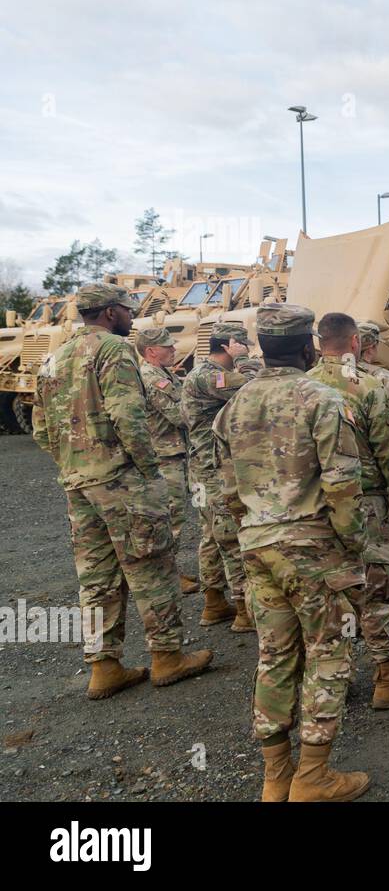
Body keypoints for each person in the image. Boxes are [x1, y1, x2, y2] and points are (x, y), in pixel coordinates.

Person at [213, 304, 371, 802]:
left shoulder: (233, 406)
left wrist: (254, 530)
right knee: (328, 653)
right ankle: (314, 776)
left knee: (274, 656)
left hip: (258, 546)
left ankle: (275, 776)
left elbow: (227, 489)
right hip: (314, 549)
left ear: (263, 347)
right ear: (308, 347)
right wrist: (354, 546)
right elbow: (343, 485)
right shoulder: (322, 400)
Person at [32, 283, 213, 700]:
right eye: (127, 310)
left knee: (96, 577)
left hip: (78, 484)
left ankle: (104, 666)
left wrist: (72, 462)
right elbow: (128, 415)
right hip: (122, 480)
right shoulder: (113, 350)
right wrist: (147, 469)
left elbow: (42, 428)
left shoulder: (53, 358)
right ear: (111, 313)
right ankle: (166, 657)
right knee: (152, 566)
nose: (132, 317)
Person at [307, 312, 389, 709]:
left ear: (319, 342)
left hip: (318, 506)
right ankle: (388, 679)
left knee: (329, 592)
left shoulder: (302, 386)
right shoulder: (372, 385)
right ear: (356, 342)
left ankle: (332, 684)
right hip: (368, 503)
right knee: (378, 588)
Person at [181, 321, 259, 631]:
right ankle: (243, 610)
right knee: (230, 537)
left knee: (212, 535)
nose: (247, 350)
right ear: (227, 346)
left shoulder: (201, 374)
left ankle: (214, 602)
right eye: (242, 346)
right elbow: (253, 387)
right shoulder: (209, 376)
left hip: (202, 469)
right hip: (214, 471)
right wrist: (244, 360)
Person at [135, 327, 197, 594]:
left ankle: (168, 571)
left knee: (173, 516)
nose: (174, 350)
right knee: (172, 517)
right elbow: (179, 416)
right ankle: (166, 577)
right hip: (165, 456)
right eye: (167, 347)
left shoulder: (163, 373)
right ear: (151, 351)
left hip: (173, 453)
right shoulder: (151, 377)